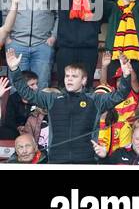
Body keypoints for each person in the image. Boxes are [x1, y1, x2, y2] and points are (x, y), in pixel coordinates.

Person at [3, 46, 131, 164]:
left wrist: (126, 76)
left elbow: (120, 95)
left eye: (74, 76)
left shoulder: (95, 100)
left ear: (84, 80)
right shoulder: (52, 98)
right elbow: (27, 93)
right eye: (67, 76)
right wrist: (14, 70)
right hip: (57, 160)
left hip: (86, 160)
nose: (69, 79)